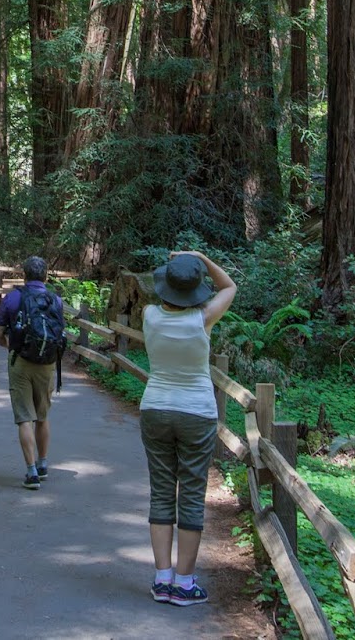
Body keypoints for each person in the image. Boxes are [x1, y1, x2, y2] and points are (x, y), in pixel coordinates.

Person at [140, 250, 237, 607]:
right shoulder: (204, 318)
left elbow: (160, 301)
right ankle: (184, 582)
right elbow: (229, 286)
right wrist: (202, 257)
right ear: (196, 289)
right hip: (197, 412)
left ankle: (162, 577)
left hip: (155, 408)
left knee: (161, 491)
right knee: (192, 494)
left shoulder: (148, 315)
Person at [0, 255, 66, 489]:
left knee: (25, 417)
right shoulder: (55, 300)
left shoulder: (13, 298)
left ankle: (32, 472)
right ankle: (43, 464)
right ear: (45, 276)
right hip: (47, 363)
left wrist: (11, 346)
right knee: (42, 417)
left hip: (20, 362)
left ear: (24, 275)